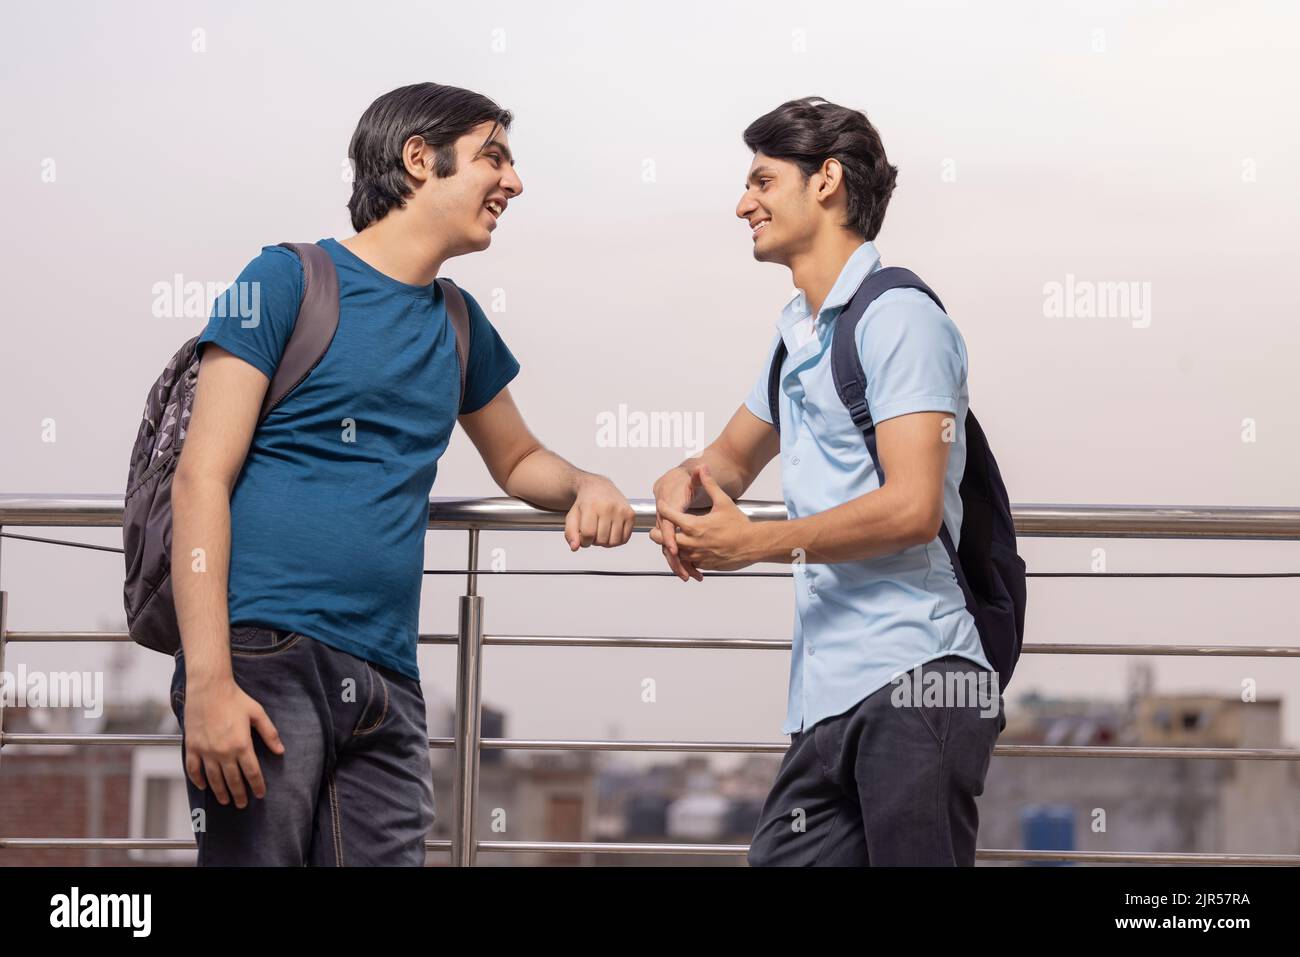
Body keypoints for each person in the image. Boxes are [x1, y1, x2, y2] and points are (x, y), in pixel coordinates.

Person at [170, 82, 635, 866]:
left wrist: (586, 482)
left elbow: (518, 459)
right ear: (419, 158)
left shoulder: (457, 320)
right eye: (495, 157)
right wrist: (210, 680)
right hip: (261, 657)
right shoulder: (283, 279)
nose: (514, 182)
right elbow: (199, 478)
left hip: (386, 680)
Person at [650, 97, 1005, 866]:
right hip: (828, 696)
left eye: (762, 181)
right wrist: (679, 486)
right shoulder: (798, 337)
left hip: (921, 677)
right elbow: (728, 463)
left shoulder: (898, 318)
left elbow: (912, 507)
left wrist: (755, 544)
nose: (743, 203)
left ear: (827, 181)